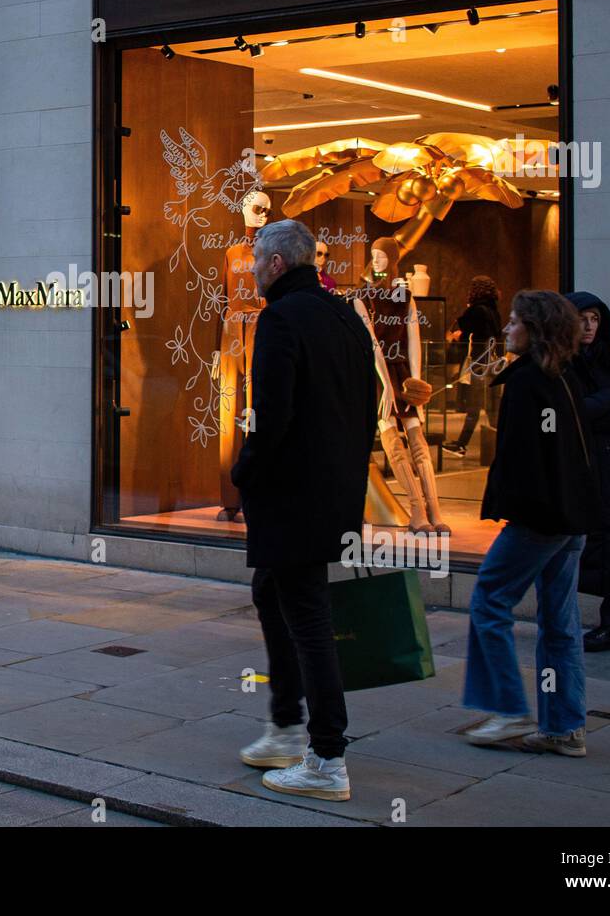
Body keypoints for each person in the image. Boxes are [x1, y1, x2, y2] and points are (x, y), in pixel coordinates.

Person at [232, 218, 377, 801]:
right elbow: (369, 403)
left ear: (276, 264)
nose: (252, 271)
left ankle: (325, 755)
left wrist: (244, 472)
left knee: (309, 617)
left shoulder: (281, 318)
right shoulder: (344, 315)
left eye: (256, 261)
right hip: (335, 487)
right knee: (273, 591)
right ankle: (288, 725)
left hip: (293, 492)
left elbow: (271, 412)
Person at [461, 290, 599, 757]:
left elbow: (528, 458)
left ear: (535, 329)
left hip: (540, 520)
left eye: (515, 321)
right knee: (559, 621)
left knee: (488, 602)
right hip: (570, 517)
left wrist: (513, 508)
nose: (505, 328)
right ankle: (565, 726)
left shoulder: (528, 383)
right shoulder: (564, 377)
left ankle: (507, 710)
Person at [566, 291, 610, 652]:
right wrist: (603, 402)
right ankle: (565, 619)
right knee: (572, 542)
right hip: (576, 462)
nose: (589, 326)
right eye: (582, 319)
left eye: (595, 319)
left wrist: (597, 412)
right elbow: (568, 410)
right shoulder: (561, 362)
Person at [443, 275, 503, 458]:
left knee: (473, 407)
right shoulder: (494, 311)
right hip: (493, 364)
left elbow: (458, 331)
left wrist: (455, 336)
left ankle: (461, 445)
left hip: (479, 363)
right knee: (492, 409)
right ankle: (499, 445)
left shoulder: (476, 311)